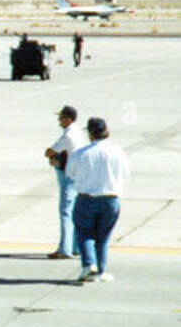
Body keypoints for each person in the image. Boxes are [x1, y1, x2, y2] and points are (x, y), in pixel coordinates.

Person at [66, 117, 129, 283]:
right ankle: (100, 270)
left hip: (86, 198)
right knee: (103, 237)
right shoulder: (118, 152)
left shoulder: (81, 154)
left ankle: (89, 265)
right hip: (111, 199)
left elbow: (70, 174)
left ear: (91, 134)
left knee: (84, 233)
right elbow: (125, 173)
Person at [44, 105, 85, 260]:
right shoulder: (78, 131)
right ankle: (75, 246)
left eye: (61, 117)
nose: (58, 120)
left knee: (65, 212)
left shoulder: (68, 135)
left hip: (68, 176)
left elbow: (50, 151)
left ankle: (65, 249)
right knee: (74, 212)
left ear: (68, 119)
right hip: (78, 175)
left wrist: (51, 156)